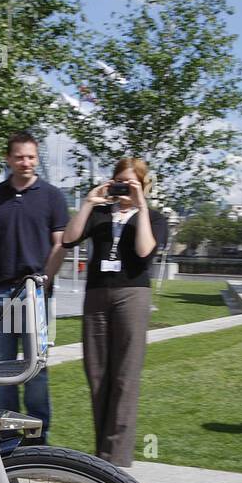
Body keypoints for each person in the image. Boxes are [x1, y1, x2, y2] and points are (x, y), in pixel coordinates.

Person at [61, 157, 167, 466]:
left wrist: (141, 206)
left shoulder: (155, 217)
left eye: (130, 182)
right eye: (119, 180)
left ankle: (117, 457)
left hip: (132, 294)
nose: (123, 188)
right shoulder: (100, 213)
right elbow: (69, 239)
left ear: (144, 184)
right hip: (97, 294)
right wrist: (88, 202)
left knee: (125, 376)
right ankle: (102, 453)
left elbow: (145, 251)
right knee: (97, 374)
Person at [0, 132, 68, 444]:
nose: (25, 162)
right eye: (19, 156)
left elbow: (60, 245)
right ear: (9, 158)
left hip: (35, 294)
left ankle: (38, 438)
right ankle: (9, 434)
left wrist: (46, 280)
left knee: (36, 371)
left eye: (30, 156)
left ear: (37, 157)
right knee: (2, 369)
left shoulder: (53, 196)